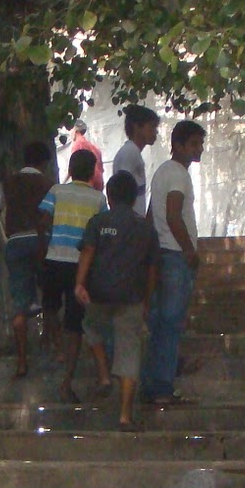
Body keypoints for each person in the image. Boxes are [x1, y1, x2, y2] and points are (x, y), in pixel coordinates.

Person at [75, 173, 160, 430]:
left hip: (99, 294)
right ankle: (124, 416)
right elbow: (152, 269)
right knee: (129, 352)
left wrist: (79, 283)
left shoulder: (98, 222)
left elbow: (88, 252)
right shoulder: (146, 228)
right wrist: (147, 300)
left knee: (90, 327)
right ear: (134, 198)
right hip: (132, 298)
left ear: (109, 197)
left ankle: (103, 374)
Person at [140, 119, 206, 407]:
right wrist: (189, 250)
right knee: (170, 324)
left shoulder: (161, 172)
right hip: (175, 255)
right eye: (193, 144)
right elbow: (172, 215)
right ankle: (163, 387)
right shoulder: (178, 174)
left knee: (159, 324)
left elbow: (150, 216)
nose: (199, 149)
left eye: (200, 144)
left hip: (159, 254)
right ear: (177, 145)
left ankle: (151, 384)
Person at [37, 149, 108, 402]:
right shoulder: (98, 199)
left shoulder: (57, 191)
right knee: (75, 323)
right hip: (81, 267)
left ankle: (54, 344)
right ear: (92, 173)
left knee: (50, 307)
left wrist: (46, 244)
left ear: (70, 169)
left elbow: (43, 221)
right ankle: (67, 379)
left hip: (55, 259)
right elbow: (100, 232)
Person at [0, 141, 57, 378]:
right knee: (50, 298)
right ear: (44, 162)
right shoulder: (49, 184)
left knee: (20, 305)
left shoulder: (7, 183)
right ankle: (51, 350)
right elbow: (54, 217)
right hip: (42, 243)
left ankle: (22, 362)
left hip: (16, 243)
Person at [111, 104, 159, 216]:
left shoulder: (133, 152)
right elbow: (122, 190)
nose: (155, 132)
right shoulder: (130, 152)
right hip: (128, 221)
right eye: (152, 126)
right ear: (137, 127)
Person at [68, 121, 106, 191]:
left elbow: (75, 169)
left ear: (75, 130)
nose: (70, 133)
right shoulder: (94, 147)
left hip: (87, 186)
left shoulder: (78, 145)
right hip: (99, 185)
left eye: (70, 130)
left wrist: (62, 183)